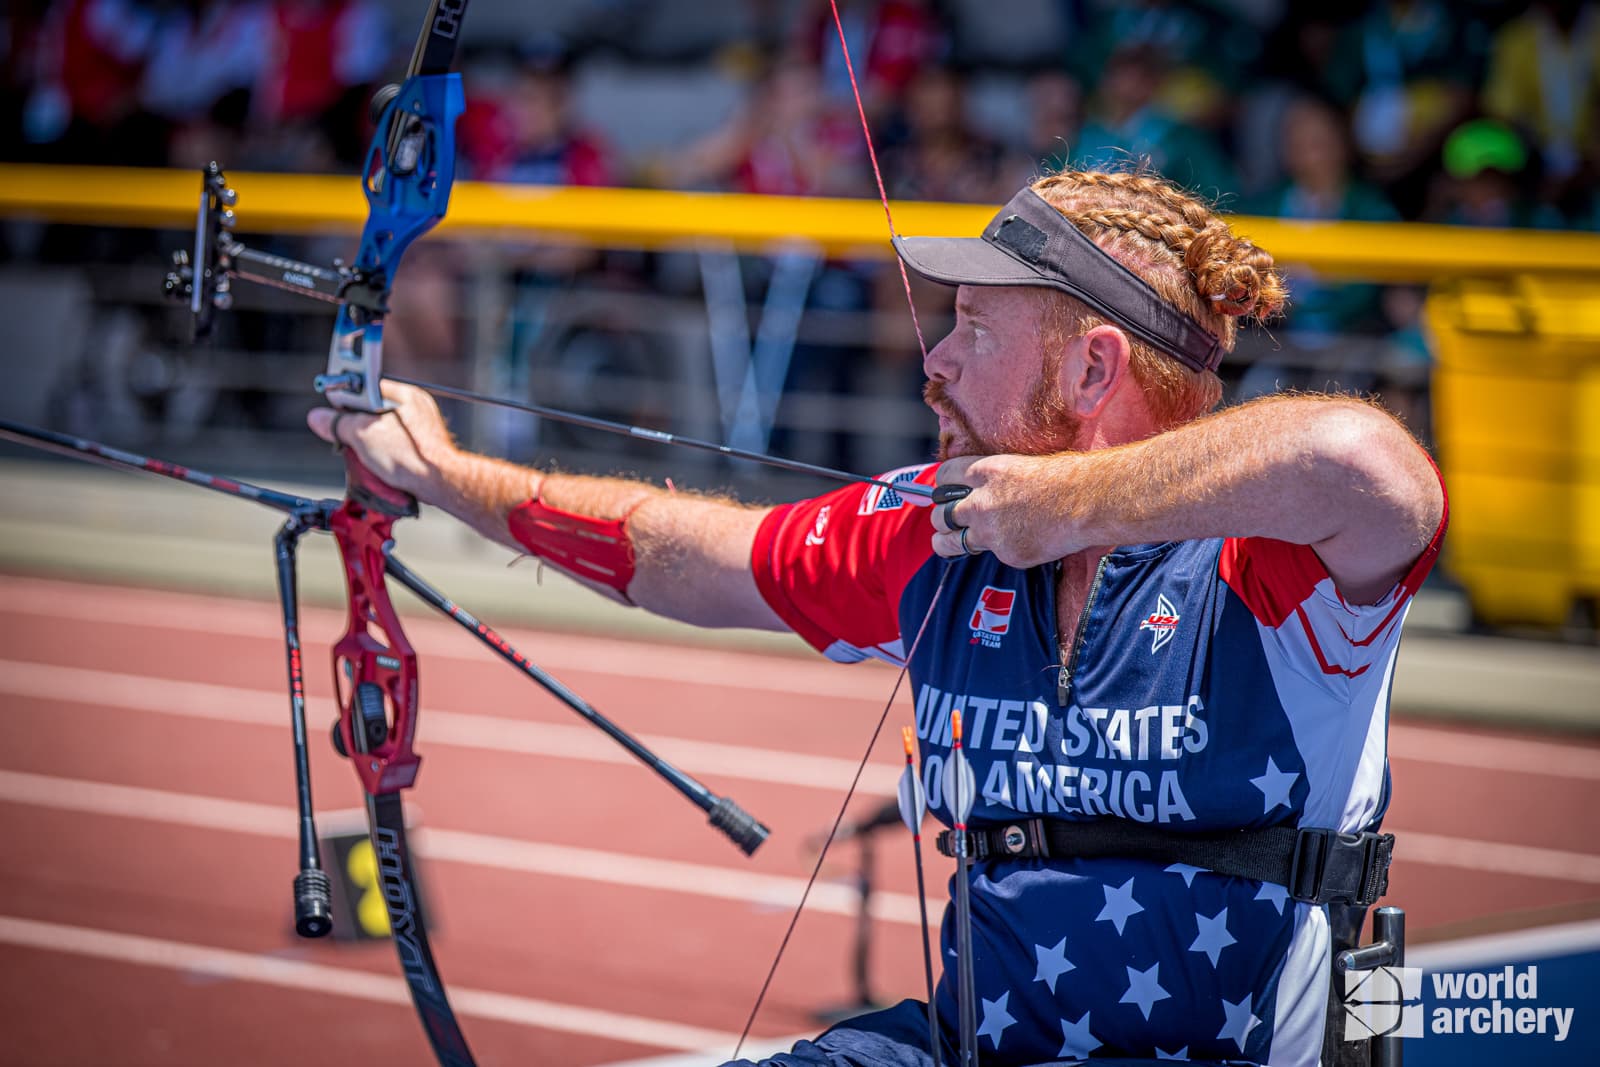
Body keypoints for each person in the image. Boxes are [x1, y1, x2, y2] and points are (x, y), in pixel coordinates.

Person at [309, 170, 1447, 1066]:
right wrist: (442, 472)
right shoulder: (946, 529)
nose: (934, 363)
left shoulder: (1272, 563)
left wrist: (1067, 505)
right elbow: (689, 556)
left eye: (972, 327)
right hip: (974, 1047)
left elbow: (1368, 465)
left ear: (1094, 366)